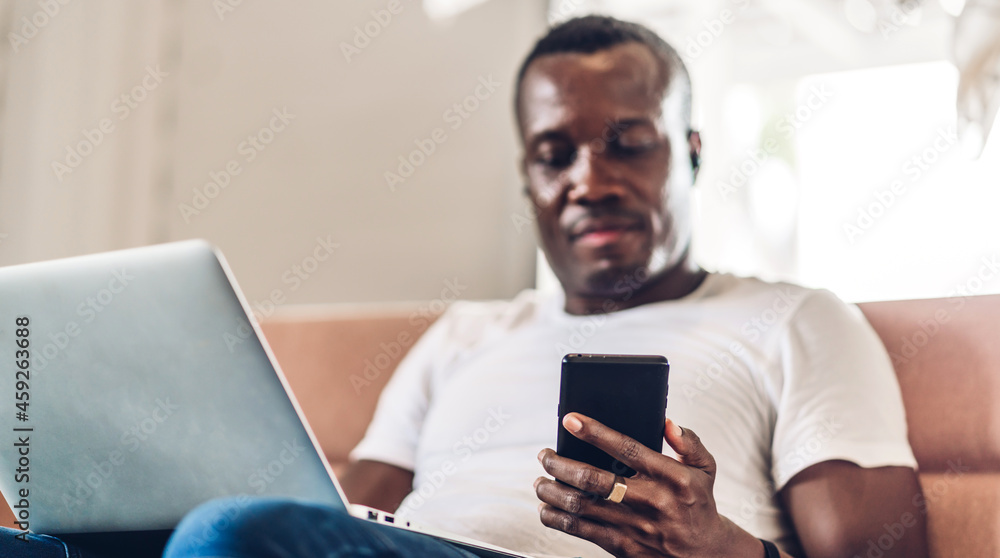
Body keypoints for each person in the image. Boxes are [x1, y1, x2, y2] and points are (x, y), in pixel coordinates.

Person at [1, 15, 928, 558]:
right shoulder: (467, 333)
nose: (587, 180)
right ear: (527, 179)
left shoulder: (796, 320)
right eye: (553, 154)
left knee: (234, 539)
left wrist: (715, 545)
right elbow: (335, 513)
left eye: (628, 143)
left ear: (689, 152)